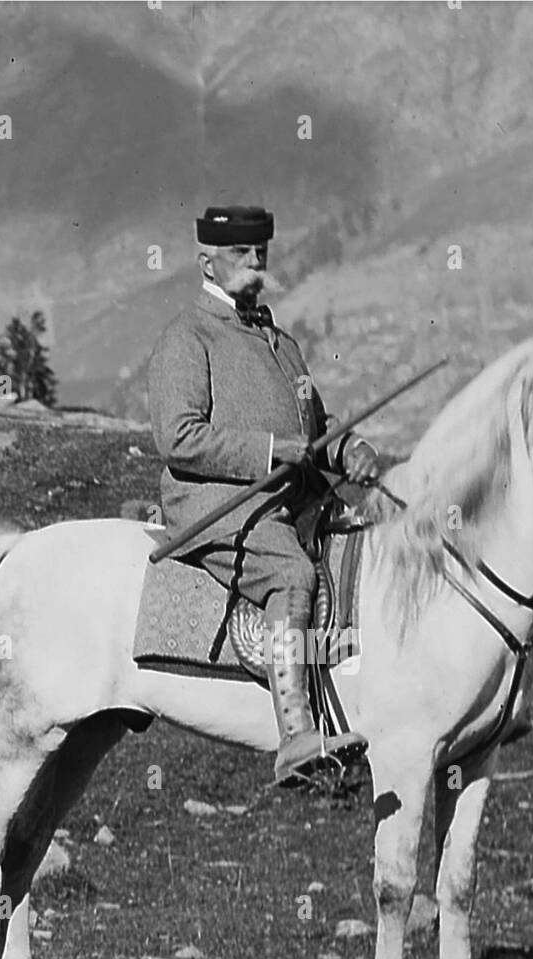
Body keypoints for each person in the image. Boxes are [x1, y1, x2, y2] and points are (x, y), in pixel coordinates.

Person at [148, 205, 380, 783]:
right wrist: (270, 450)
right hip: (215, 507)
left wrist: (346, 450)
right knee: (292, 575)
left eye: (260, 253)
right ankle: (297, 737)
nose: (255, 263)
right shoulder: (186, 338)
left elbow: (314, 429)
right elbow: (178, 439)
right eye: (240, 254)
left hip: (287, 503)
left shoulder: (282, 343)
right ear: (207, 261)